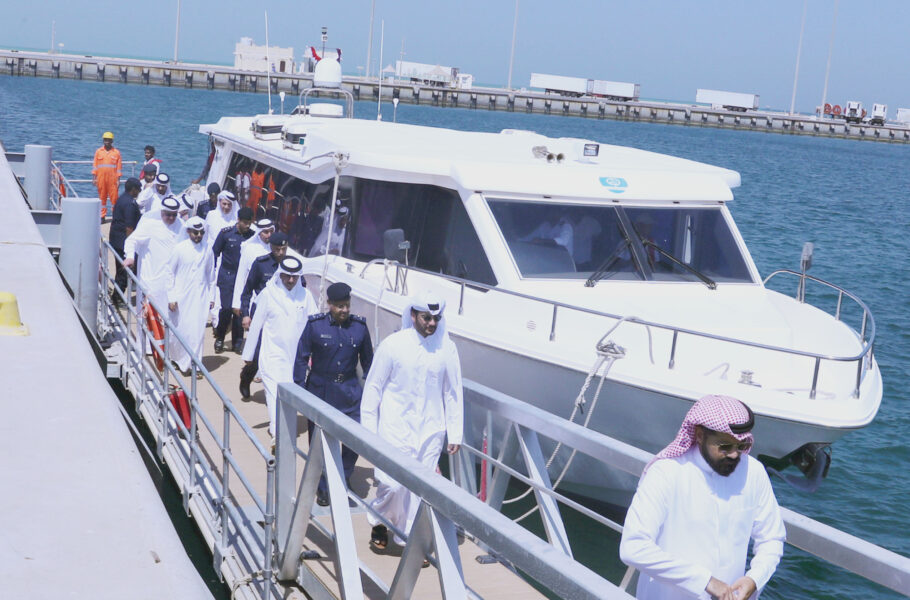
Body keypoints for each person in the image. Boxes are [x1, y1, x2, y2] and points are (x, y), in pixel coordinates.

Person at [619, 395, 786, 600]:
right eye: (725, 446)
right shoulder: (666, 473)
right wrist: (705, 581)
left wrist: (755, 579)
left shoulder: (754, 472)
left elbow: (772, 538)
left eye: (741, 446)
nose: (734, 455)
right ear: (699, 435)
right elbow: (633, 547)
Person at [361, 292, 463, 550]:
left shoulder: (447, 348)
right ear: (414, 315)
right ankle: (380, 519)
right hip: (394, 428)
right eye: (427, 318)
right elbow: (373, 388)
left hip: (431, 430)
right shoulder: (393, 345)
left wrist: (455, 432)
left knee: (419, 491)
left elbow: (453, 392)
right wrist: (368, 432)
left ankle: (410, 541)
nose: (432, 323)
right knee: (392, 485)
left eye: (436, 318)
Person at [293, 282, 373, 506]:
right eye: (339, 306)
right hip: (321, 391)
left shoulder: (359, 327)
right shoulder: (315, 326)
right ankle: (323, 486)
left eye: (347, 305)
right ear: (329, 304)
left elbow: (369, 363)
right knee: (319, 443)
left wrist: (372, 395)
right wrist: (299, 391)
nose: (344, 310)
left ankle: (343, 477)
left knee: (354, 441)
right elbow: (301, 358)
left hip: (349, 392)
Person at [242, 256, 318, 442]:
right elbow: (256, 325)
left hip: (296, 358)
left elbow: (315, 323)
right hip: (273, 354)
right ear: (280, 275)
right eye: (286, 276)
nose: (290, 280)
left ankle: (280, 428)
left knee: (290, 394)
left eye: (294, 277)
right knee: (274, 393)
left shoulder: (306, 296)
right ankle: (278, 434)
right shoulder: (268, 295)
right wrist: (249, 354)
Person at [238, 231, 289, 397]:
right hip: (262, 314)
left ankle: (274, 390)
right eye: (277, 249)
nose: (280, 253)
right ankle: (246, 376)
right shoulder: (261, 264)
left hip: (282, 316)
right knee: (258, 351)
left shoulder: (291, 265)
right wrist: (246, 314)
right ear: (271, 247)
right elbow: (247, 291)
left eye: (283, 249)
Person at [166, 217, 216, 376]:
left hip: (200, 297)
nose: (199, 235)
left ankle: (194, 365)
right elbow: (169, 273)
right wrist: (171, 297)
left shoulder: (208, 250)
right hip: (181, 297)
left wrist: (212, 297)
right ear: (188, 231)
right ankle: (178, 359)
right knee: (181, 331)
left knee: (197, 332)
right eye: (195, 232)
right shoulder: (179, 249)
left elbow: (211, 275)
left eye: (201, 232)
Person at [123, 196, 184, 317]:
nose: (171, 218)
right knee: (149, 316)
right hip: (152, 279)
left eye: (174, 215)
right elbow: (131, 240)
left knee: (171, 317)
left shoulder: (181, 225)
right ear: (162, 212)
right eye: (168, 215)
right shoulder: (150, 225)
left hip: (173, 281)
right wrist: (130, 256)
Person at [212, 207, 254, 354]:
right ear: (238, 220)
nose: (247, 225)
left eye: (249, 222)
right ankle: (220, 337)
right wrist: (212, 274)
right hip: (227, 276)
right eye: (245, 222)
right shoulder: (226, 234)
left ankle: (238, 341)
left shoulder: (252, 237)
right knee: (226, 308)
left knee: (240, 310)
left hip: (243, 278)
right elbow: (214, 253)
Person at [108, 177, 143, 304]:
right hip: (123, 241)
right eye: (138, 189)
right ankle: (117, 299)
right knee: (124, 271)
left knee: (120, 270)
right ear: (133, 189)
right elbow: (129, 227)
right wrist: (130, 248)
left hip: (116, 239)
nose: (139, 191)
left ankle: (117, 296)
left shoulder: (122, 198)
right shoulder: (130, 204)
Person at [92, 131, 122, 221]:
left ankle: (115, 216)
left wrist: (118, 179)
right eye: (105, 140)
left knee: (114, 198)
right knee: (102, 197)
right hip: (101, 178)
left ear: (112, 141)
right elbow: (95, 165)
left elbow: (119, 167)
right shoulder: (98, 151)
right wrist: (94, 178)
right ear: (103, 140)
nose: (107, 142)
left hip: (113, 179)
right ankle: (102, 216)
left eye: (109, 140)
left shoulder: (116, 152)